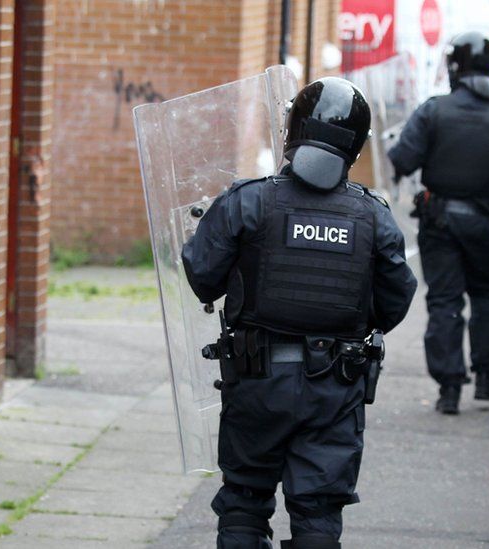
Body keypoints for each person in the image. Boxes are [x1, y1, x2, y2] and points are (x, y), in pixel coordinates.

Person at [182, 77, 417, 549]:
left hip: (255, 383)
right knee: (317, 513)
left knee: (245, 503)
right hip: (334, 388)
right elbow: (394, 303)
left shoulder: (247, 201)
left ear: (294, 129)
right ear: (356, 147)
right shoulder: (374, 217)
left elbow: (202, 275)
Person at [387, 32, 489, 414]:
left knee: (445, 301)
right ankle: (486, 379)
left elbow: (402, 160)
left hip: (439, 223)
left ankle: (449, 388)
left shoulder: (433, 111)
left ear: (455, 66)